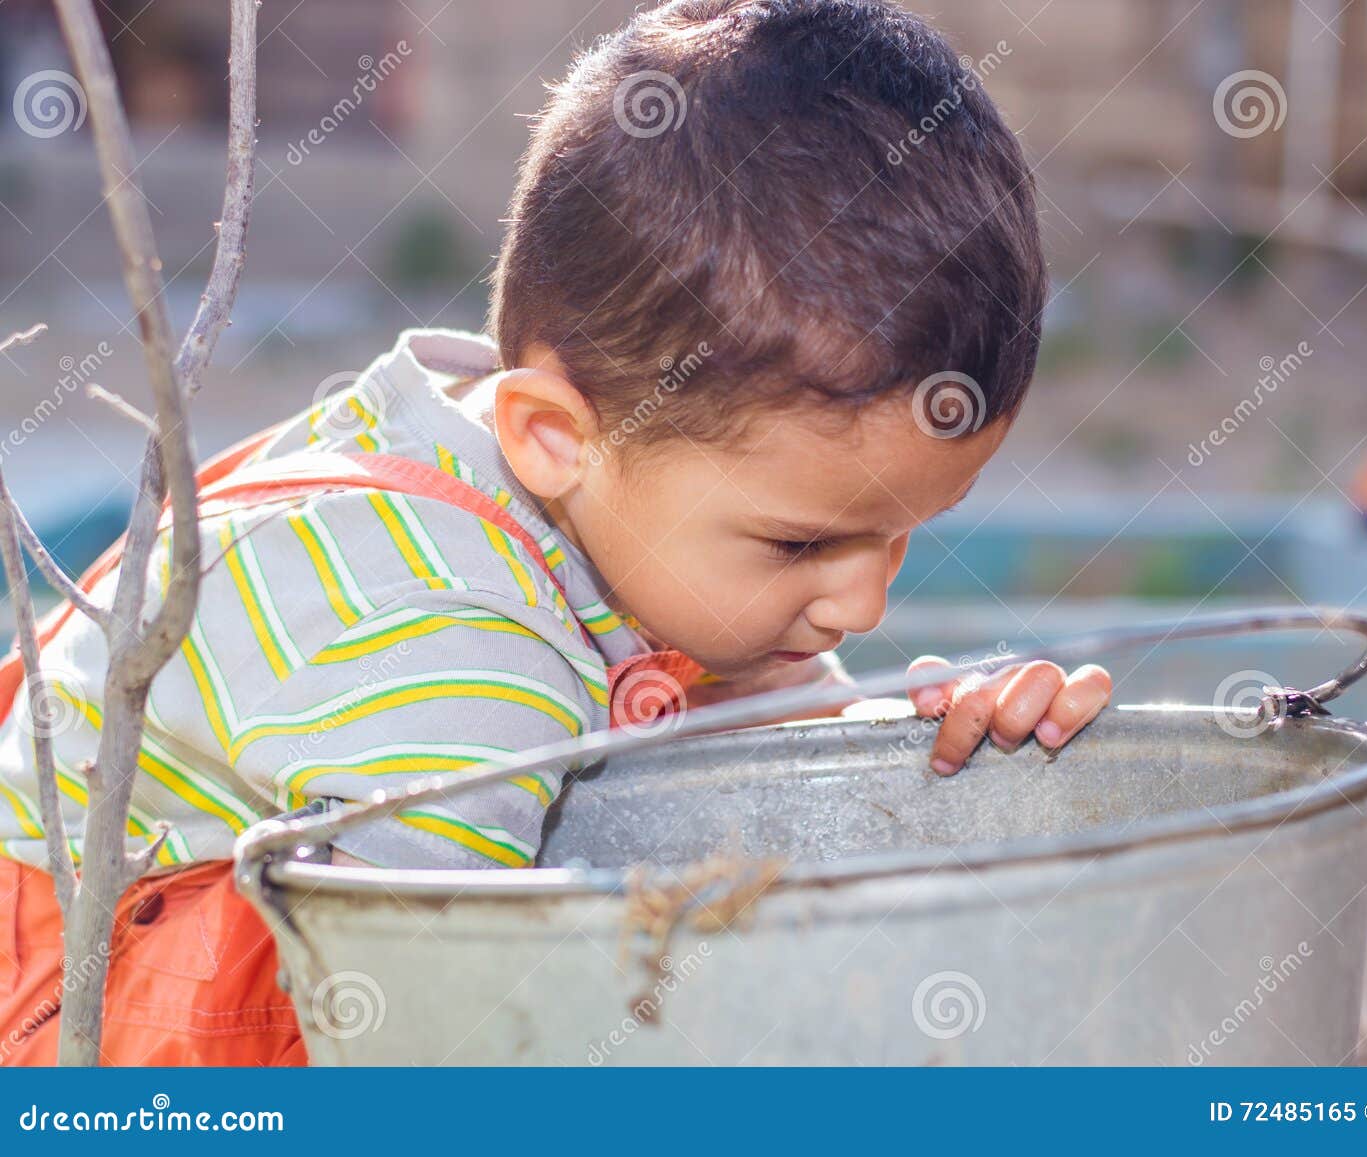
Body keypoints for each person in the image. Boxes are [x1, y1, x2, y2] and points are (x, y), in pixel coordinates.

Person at [0, 0, 1111, 1065]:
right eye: (802, 547)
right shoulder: (449, 662)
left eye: (903, 532)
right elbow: (430, 1047)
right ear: (550, 433)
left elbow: (780, 774)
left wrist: (939, 759)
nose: (862, 605)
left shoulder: (567, 459)